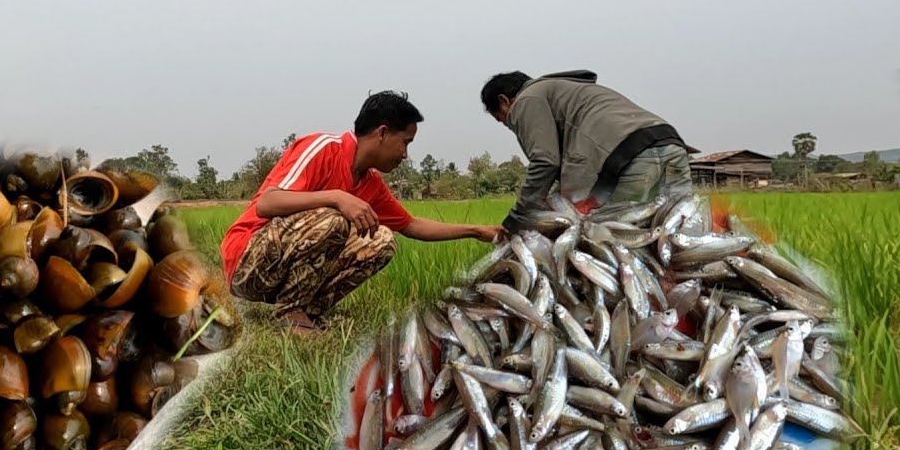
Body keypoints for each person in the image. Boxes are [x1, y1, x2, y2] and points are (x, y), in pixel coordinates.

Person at [220, 90, 502, 334]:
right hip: (248, 263)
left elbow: (411, 225)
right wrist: (337, 197)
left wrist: (476, 231)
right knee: (333, 219)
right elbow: (266, 203)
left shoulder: (371, 183)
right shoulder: (323, 148)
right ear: (382, 133)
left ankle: (308, 310)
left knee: (382, 240)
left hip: (278, 273)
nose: (405, 154)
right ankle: (289, 314)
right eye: (405, 142)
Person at [481, 69, 693, 233]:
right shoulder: (567, 90)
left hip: (630, 157)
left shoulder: (527, 100)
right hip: (671, 146)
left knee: (613, 239)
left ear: (504, 100)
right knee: (678, 233)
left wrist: (519, 217)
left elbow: (545, 160)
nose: (507, 124)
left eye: (501, 118)